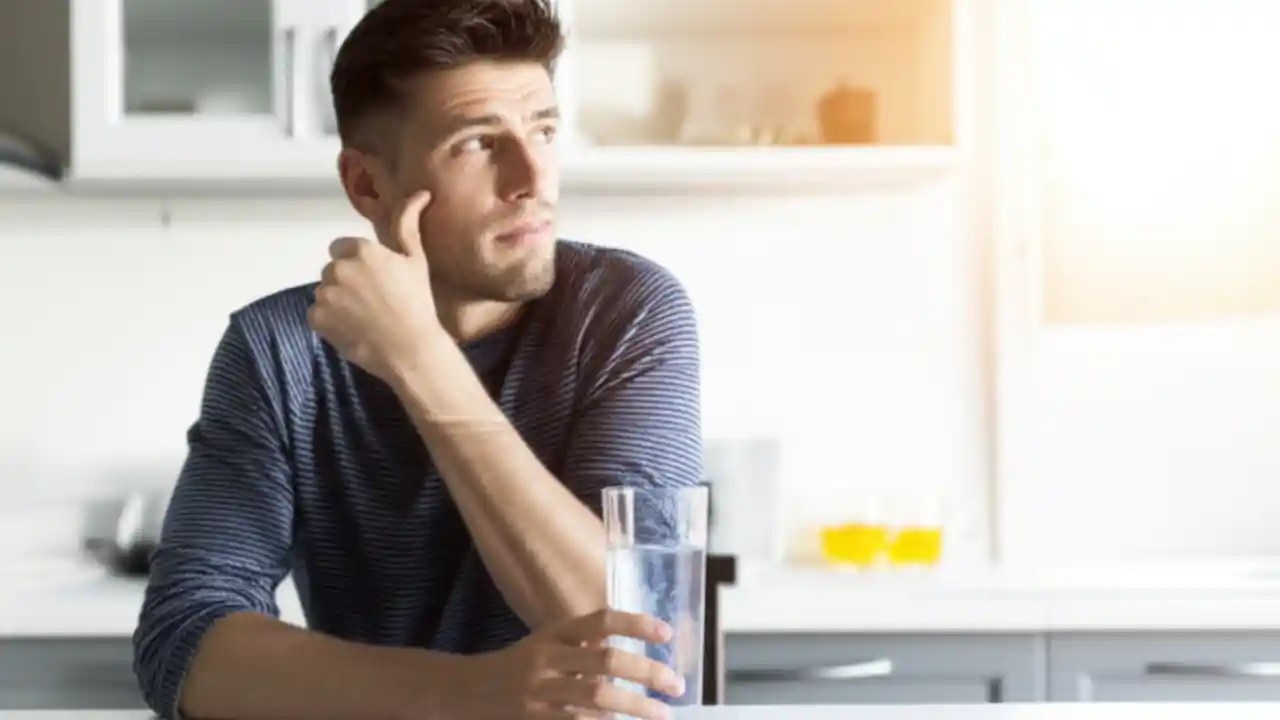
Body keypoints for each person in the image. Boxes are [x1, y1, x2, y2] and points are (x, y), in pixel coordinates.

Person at [131, 1, 703, 718]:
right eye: (475, 143)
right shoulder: (278, 350)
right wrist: (474, 693)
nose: (533, 177)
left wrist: (420, 361)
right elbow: (182, 641)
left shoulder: (627, 310)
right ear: (368, 185)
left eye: (544, 130)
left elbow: (640, 641)